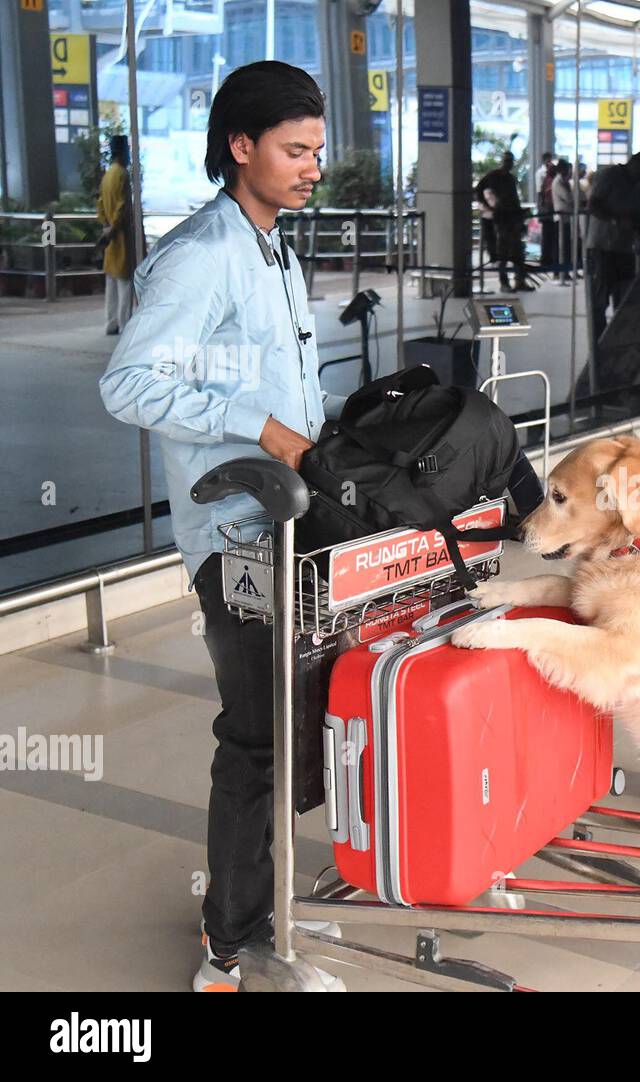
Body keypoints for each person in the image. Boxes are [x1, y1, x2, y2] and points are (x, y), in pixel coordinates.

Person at [98, 61, 350, 990]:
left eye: (316, 150)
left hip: (289, 520)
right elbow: (130, 385)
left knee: (297, 723)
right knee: (257, 735)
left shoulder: (272, 246)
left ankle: (263, 896)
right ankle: (228, 943)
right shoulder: (203, 255)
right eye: (295, 150)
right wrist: (260, 426)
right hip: (235, 535)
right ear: (240, 146)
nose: (312, 167)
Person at [586, 149, 640, 346]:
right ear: (635, 164)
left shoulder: (637, 186)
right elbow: (593, 205)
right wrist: (616, 220)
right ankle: (598, 346)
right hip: (603, 247)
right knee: (600, 300)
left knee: (624, 299)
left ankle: (617, 344)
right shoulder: (610, 175)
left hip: (624, 249)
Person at [476, 151, 532, 292]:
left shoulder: (511, 178)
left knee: (518, 252)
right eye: (507, 161)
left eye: (510, 161)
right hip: (502, 218)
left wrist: (520, 214)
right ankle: (504, 283)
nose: (509, 164)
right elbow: (479, 190)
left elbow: (514, 198)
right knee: (503, 252)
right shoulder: (494, 176)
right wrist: (490, 207)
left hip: (513, 217)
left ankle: (520, 281)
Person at [97, 135, 135, 334]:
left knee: (111, 281)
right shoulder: (122, 175)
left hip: (109, 236)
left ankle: (110, 322)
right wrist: (114, 228)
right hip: (121, 236)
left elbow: (100, 204)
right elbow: (123, 206)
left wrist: (106, 226)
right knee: (125, 281)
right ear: (123, 152)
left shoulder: (108, 175)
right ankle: (124, 324)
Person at [551, 157, 583, 284]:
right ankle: (560, 272)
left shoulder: (564, 181)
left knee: (567, 247)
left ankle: (566, 271)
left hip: (567, 219)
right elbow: (568, 198)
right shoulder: (558, 182)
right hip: (560, 219)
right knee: (561, 247)